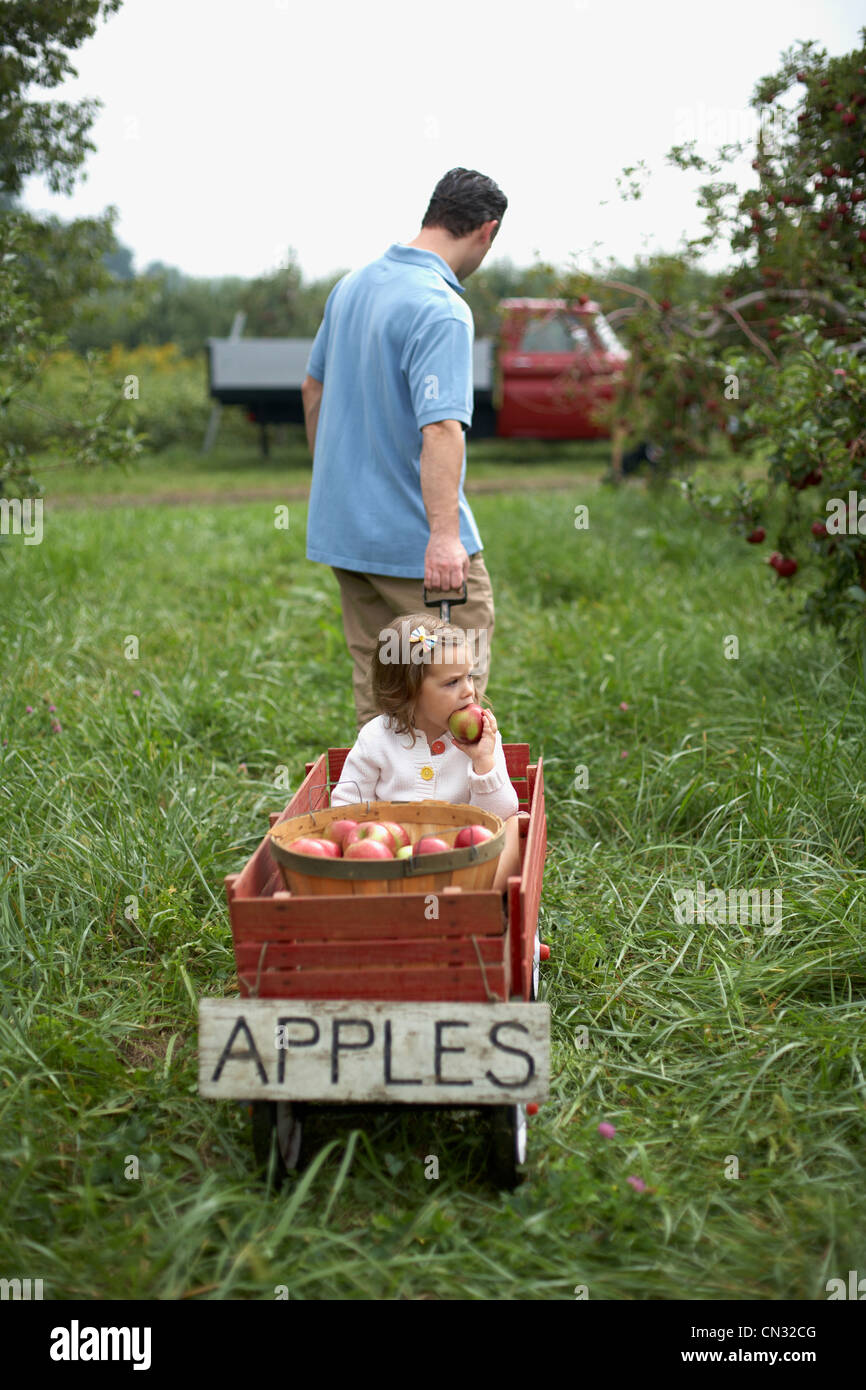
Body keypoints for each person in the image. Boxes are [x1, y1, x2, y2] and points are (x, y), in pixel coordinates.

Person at [301, 167, 508, 731]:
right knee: (455, 689)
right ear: (486, 232)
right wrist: (444, 536)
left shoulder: (353, 285)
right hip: (416, 548)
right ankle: (447, 809)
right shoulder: (440, 307)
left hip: (347, 534)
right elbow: (441, 429)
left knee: (383, 691)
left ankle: (389, 808)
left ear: (433, 213)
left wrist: (337, 485)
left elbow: (313, 387)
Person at [330, 613, 521, 895]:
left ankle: (483, 904)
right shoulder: (376, 738)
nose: (469, 690)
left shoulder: (482, 740)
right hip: (393, 867)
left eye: (469, 676)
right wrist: (375, 846)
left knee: (516, 826)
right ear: (408, 692)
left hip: (464, 865)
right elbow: (346, 806)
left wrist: (483, 762)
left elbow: (500, 815)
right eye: (451, 682)